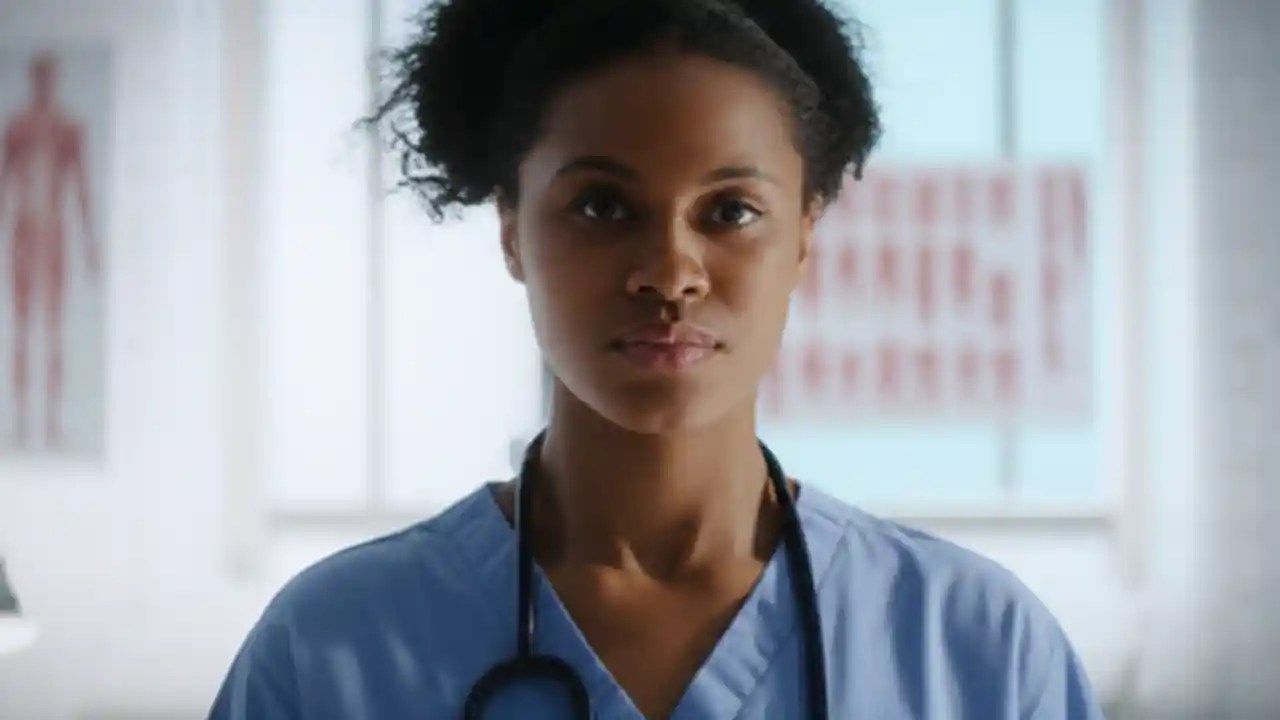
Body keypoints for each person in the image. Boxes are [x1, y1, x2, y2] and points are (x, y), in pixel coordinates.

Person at [210, 0, 1103, 717]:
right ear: (511, 230)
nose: (669, 273)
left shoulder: (979, 649)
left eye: (731, 212)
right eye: (602, 206)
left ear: (805, 233)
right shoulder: (333, 648)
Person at [0, 52, 99, 448]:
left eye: (50, 76)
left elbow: (81, 187)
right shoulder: (18, 129)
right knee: (23, 324)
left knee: (54, 326)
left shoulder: (68, 129)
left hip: (54, 232)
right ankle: (24, 419)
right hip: (25, 231)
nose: (45, 82)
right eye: (40, 75)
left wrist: (90, 241)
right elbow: (4, 188)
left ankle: (53, 421)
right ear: (33, 77)